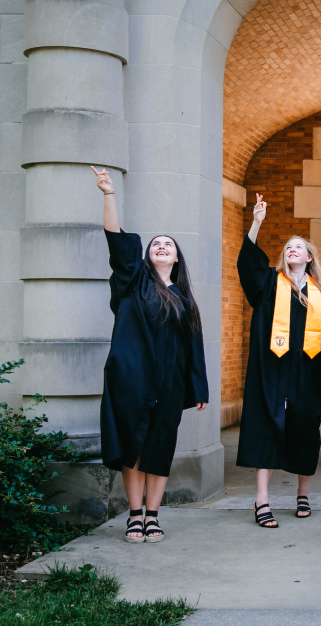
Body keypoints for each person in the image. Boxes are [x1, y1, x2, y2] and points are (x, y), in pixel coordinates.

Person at [92, 166, 209, 544]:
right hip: (131, 380)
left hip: (169, 385)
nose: (161, 245)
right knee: (134, 448)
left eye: (168, 245)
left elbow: (193, 346)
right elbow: (116, 240)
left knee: (159, 449)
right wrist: (109, 194)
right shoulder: (133, 282)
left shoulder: (184, 299)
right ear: (146, 256)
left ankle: (153, 516)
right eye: (155, 243)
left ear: (176, 259)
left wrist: (198, 388)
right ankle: (134, 515)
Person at [236, 193, 321, 528]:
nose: (292, 249)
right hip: (270, 371)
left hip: (306, 374)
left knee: (304, 431)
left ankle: (302, 493)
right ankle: (262, 500)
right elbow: (247, 266)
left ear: (308, 257)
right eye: (288, 247)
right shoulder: (268, 285)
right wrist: (257, 223)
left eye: (298, 247)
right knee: (265, 429)